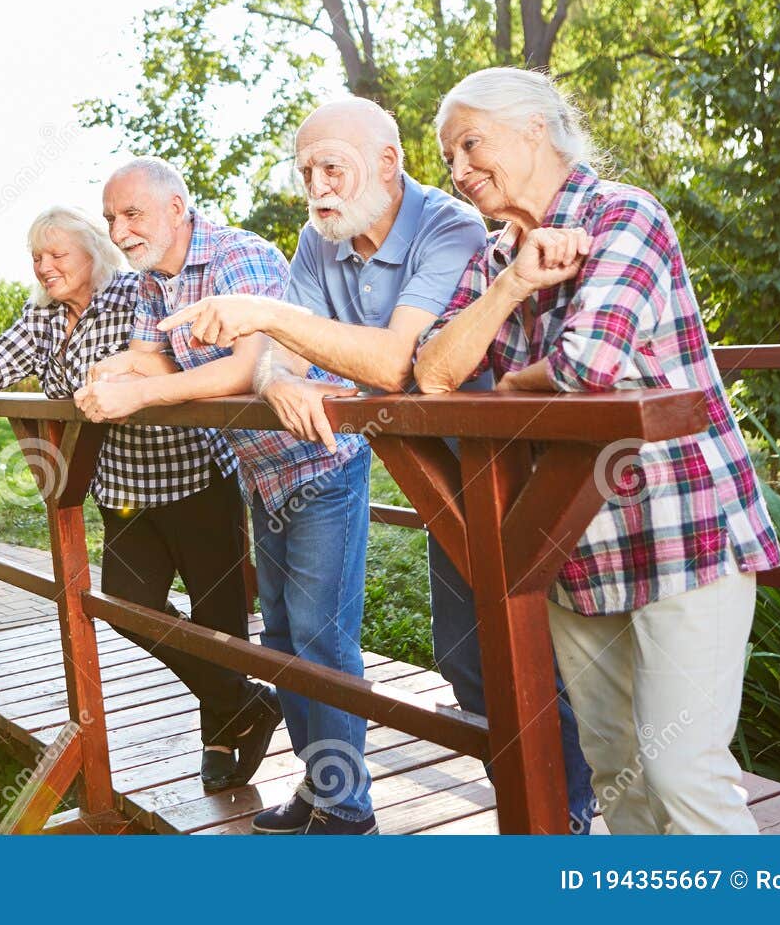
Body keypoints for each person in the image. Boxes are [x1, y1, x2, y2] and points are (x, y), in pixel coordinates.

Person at [157, 96, 597, 832]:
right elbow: (276, 361)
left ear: (388, 166)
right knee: (462, 663)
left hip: (506, 467)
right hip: (437, 473)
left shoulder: (448, 224)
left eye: (333, 166)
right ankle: (364, 793)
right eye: (305, 172)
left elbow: (400, 365)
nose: (316, 186)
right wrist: (279, 377)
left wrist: (265, 317)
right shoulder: (319, 237)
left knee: (514, 654)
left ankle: (565, 813)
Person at [414, 67, 780, 834]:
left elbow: (588, 368)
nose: (457, 170)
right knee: (617, 770)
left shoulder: (625, 215)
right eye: (448, 156)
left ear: (533, 130)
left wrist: (512, 384)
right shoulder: (494, 260)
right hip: (574, 545)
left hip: (684, 528)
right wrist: (513, 284)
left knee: (684, 774)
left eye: (471, 143)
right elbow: (432, 370)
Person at [0, 206, 280, 794]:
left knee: (218, 620)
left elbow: (168, 363)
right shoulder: (43, 319)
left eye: (57, 254)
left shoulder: (133, 297)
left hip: (193, 478)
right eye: (37, 257)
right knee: (128, 603)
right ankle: (245, 703)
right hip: (121, 490)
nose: (44, 266)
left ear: (94, 252)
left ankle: (218, 734)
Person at [75, 158, 378, 835]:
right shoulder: (155, 282)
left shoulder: (238, 256)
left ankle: (349, 807)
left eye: (132, 215)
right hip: (262, 476)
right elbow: (159, 357)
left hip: (319, 464)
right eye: (110, 219)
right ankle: (317, 786)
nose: (119, 230)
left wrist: (140, 390)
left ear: (178, 207)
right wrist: (122, 366)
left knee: (322, 640)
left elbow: (248, 366)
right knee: (282, 638)